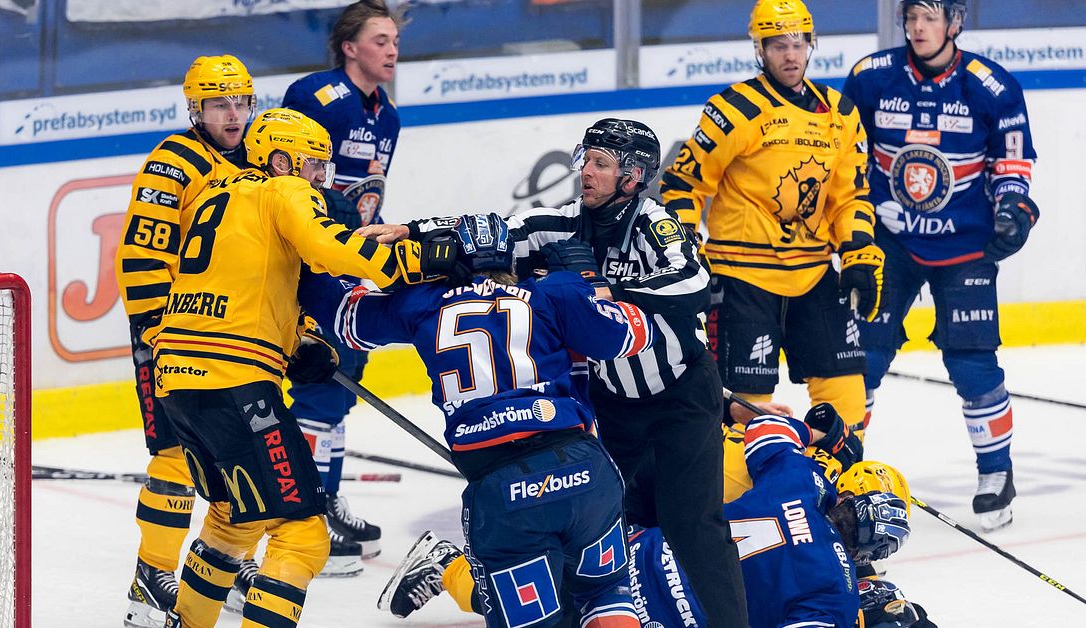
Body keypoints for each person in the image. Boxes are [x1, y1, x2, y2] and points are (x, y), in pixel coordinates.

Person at [360, 118, 749, 626]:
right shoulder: (557, 223)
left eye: (601, 164)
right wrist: (415, 231)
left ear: (632, 177)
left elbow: (694, 283)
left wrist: (607, 291)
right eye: (585, 159)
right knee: (602, 530)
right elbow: (491, 234)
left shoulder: (657, 224)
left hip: (681, 395)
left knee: (692, 525)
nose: (586, 171)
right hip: (612, 403)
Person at [149, 108, 457, 628]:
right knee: (303, 535)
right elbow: (333, 248)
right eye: (315, 165)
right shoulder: (283, 191)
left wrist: (295, 341)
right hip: (237, 385)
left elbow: (240, 282)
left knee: (229, 521)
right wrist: (420, 260)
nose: (323, 179)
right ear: (279, 159)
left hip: (176, 381)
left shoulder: (214, 195)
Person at [301, 213, 656, 627]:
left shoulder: (423, 302)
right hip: (585, 473)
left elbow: (347, 317)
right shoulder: (552, 294)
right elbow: (635, 335)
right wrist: (588, 286)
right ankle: (449, 570)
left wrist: (307, 258)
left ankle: (447, 568)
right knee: (604, 594)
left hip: (504, 490)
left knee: (538, 616)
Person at [383, 409, 912, 628]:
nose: (872, 549)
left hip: (631, 546)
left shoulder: (800, 481)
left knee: (535, 600)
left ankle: (449, 564)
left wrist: (818, 437)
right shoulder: (836, 588)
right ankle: (452, 565)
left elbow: (770, 428)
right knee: (535, 609)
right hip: (652, 585)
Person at [841, 0, 1038, 531]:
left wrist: (1012, 208)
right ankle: (842, 471)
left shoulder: (991, 86)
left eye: (930, 18)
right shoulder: (870, 77)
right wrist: (850, 227)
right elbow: (844, 155)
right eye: (911, 18)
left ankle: (997, 473)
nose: (918, 28)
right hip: (891, 242)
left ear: (955, 23)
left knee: (973, 364)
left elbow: (1012, 161)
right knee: (863, 359)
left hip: (966, 244)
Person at [659, 0, 882, 451]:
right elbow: (683, 182)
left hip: (815, 273)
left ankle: (836, 489)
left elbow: (850, 196)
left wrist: (858, 252)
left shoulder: (841, 113)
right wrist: (685, 246)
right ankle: (749, 497)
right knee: (747, 409)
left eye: (798, 42)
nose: (790, 54)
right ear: (760, 49)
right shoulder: (735, 108)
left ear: (811, 44)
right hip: (744, 279)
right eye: (777, 44)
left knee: (847, 398)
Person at [113, 54, 258, 627]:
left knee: (235, 452)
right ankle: (151, 577)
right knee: (175, 454)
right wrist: (156, 331)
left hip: (230, 337)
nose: (233, 114)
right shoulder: (173, 162)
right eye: (220, 103)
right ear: (195, 109)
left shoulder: (252, 158)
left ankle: (222, 562)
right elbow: (142, 251)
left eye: (241, 101)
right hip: (170, 333)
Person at [278, 0, 405, 574]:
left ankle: (322, 502)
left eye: (395, 40)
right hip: (311, 265)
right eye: (380, 39)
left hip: (348, 261)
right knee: (316, 387)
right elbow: (280, 184)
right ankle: (303, 516)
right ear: (349, 46)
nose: (392, 49)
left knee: (339, 388)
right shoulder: (316, 97)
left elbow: (369, 196)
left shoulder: (390, 117)